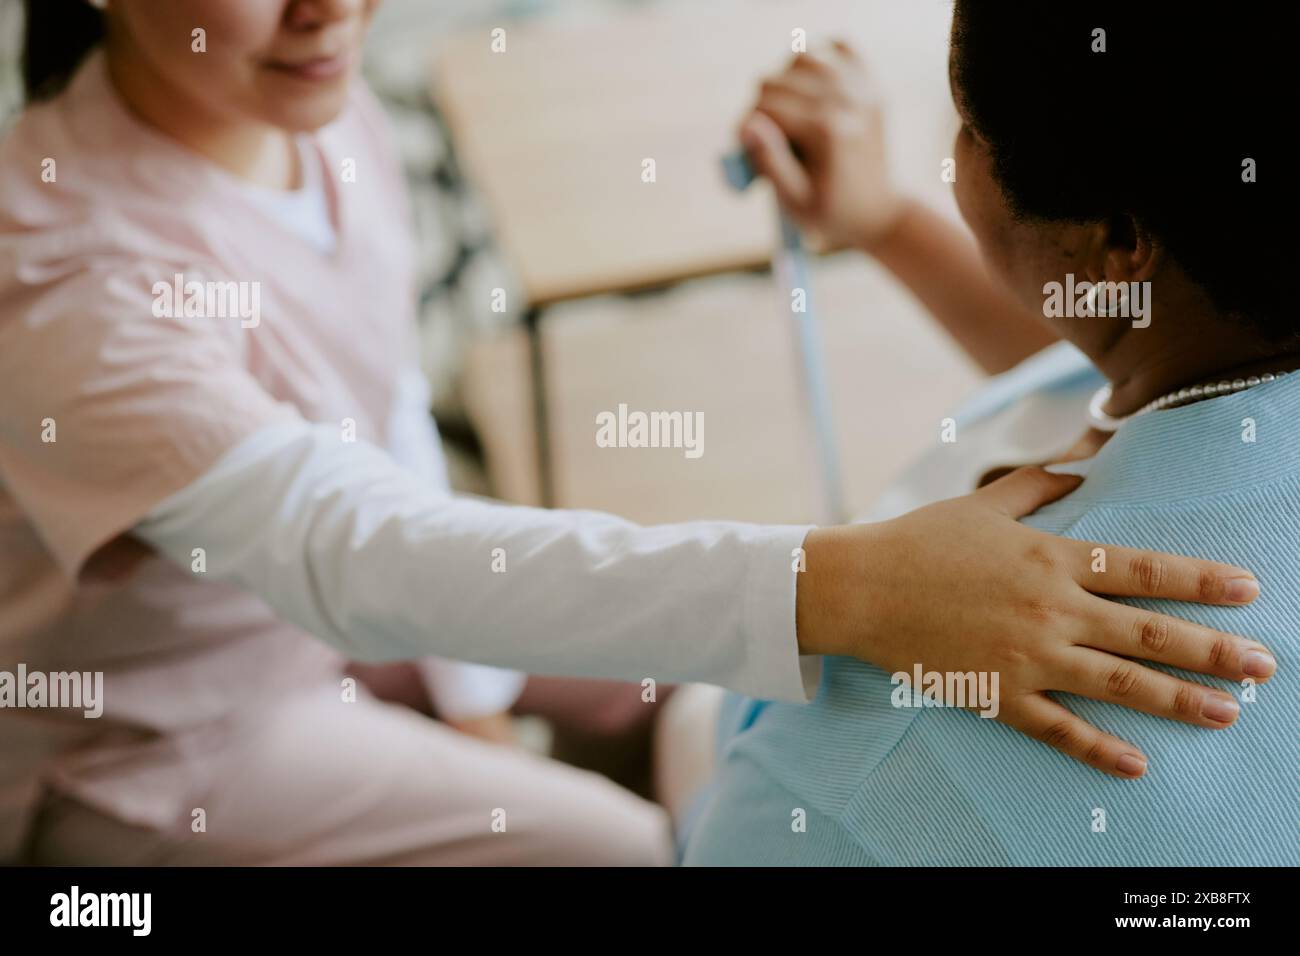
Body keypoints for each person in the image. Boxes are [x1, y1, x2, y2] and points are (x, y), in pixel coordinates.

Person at [0, 0, 1274, 866]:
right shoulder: (70, 280)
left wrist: (472, 686)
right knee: (619, 846)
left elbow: (370, 418)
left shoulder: (304, 109)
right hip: (161, 732)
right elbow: (340, 543)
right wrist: (841, 580)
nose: (333, 6)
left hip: (322, 610)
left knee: (661, 678)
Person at [684, 0, 1299, 865]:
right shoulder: (1232, 322)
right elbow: (1132, 336)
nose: (950, 161)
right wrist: (885, 223)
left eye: (968, 128)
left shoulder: (831, 791)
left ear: (1119, 240)